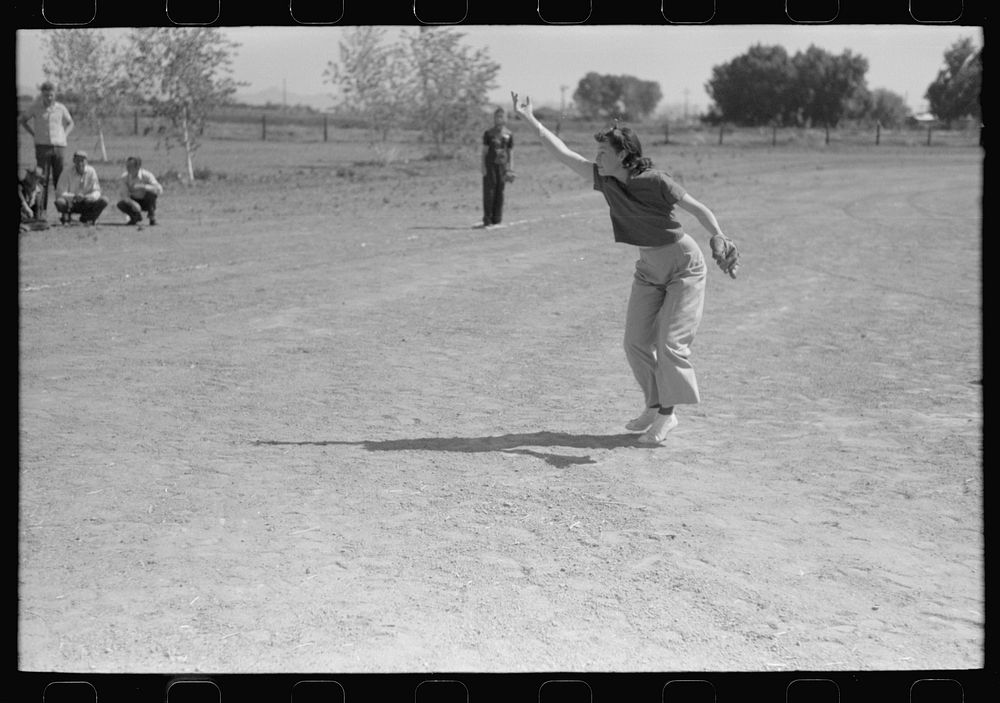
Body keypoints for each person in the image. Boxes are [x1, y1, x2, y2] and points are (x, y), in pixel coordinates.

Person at [511, 92, 740, 445]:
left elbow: (700, 210)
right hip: (648, 268)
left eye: (604, 153)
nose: (597, 158)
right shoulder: (606, 180)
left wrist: (720, 237)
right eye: (598, 153)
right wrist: (529, 119)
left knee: (669, 343)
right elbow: (564, 154)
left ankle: (667, 416)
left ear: (623, 155)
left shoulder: (657, 181)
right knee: (634, 342)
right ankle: (654, 403)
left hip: (683, 266)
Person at [19, 81, 74, 211]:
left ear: (54, 94)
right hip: (42, 147)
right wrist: (33, 134)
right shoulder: (35, 107)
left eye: (51, 95)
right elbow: (22, 120)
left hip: (59, 147)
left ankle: (63, 211)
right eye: (46, 95)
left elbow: (71, 123)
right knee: (41, 180)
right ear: (42, 95)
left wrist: (64, 135)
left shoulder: (61, 108)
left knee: (59, 179)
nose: (49, 98)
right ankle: (40, 211)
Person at [53, 151, 109, 225]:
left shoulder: (91, 171)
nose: (80, 163)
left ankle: (87, 218)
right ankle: (66, 217)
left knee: (104, 200)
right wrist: (74, 196)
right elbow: (60, 192)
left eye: (82, 160)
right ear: (74, 160)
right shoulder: (66, 172)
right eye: (77, 160)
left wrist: (89, 197)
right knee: (60, 202)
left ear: (86, 162)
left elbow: (97, 191)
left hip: (87, 201)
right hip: (72, 203)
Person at [481, 106, 514, 227]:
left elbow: (511, 152)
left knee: (500, 192)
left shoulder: (509, 134)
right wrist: (483, 166)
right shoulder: (488, 133)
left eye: (502, 116)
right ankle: (487, 219)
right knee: (489, 192)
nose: (499, 118)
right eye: (497, 116)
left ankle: (497, 219)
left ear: (505, 118)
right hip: (490, 166)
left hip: (503, 167)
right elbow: (484, 152)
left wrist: (511, 168)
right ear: (494, 118)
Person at [116, 156, 163, 226]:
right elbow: (124, 195)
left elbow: (159, 189)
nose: (127, 168)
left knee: (151, 194)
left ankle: (152, 217)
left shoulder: (147, 175)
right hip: (133, 200)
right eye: (127, 166)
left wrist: (143, 186)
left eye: (130, 166)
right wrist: (132, 203)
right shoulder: (124, 178)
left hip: (146, 201)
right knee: (121, 204)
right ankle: (135, 217)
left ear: (138, 167)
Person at [19, 167, 48, 231]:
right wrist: (26, 208)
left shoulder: (40, 189)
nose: (28, 176)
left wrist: (37, 218)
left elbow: (39, 209)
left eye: (36, 177)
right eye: (29, 175)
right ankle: (26, 226)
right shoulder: (20, 185)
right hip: (22, 215)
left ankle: (26, 227)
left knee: (44, 223)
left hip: (30, 219)